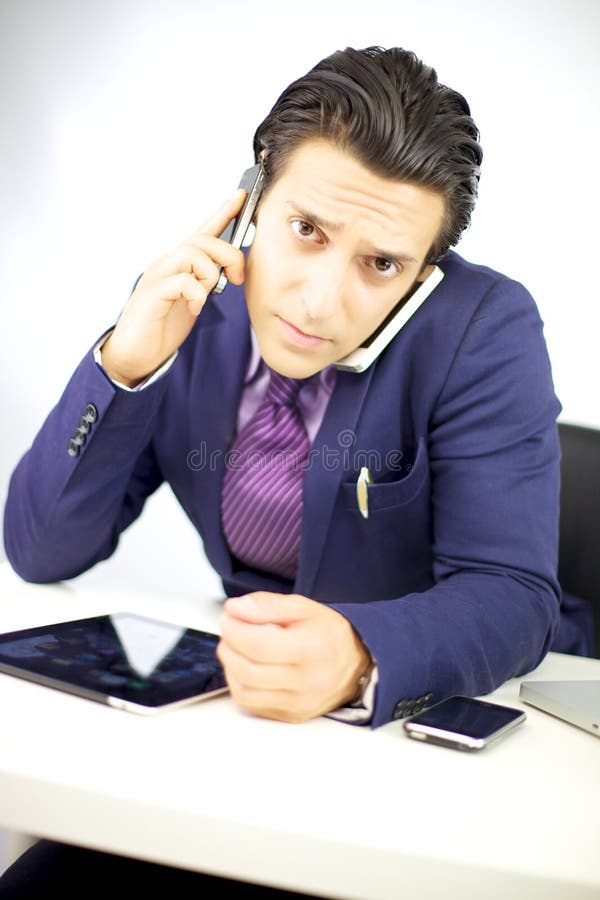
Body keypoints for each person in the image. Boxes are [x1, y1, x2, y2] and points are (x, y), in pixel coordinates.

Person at [0, 43, 592, 897]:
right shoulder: (187, 310)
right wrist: (126, 364)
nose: (319, 300)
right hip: (252, 743)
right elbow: (41, 550)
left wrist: (359, 655)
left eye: (379, 265)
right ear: (251, 201)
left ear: (422, 277)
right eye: (305, 230)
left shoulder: (485, 329)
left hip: (428, 756)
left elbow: (512, 594)